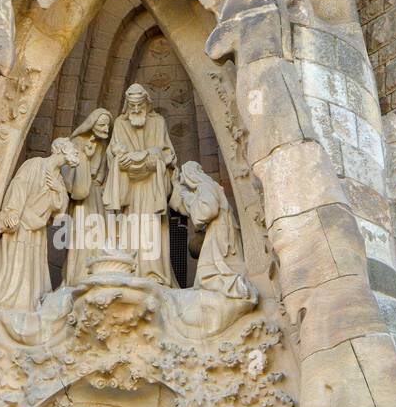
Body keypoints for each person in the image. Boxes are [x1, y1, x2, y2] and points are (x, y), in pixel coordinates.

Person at [0, 137, 79, 309]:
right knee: (15, 271)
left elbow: (60, 215)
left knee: (32, 274)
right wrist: (12, 212)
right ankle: (7, 304)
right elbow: (19, 187)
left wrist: (57, 189)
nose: (76, 151)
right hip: (20, 227)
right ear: (61, 148)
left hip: (37, 231)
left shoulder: (59, 180)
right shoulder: (34, 165)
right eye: (72, 148)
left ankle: (27, 307)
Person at [103, 84, 176, 285]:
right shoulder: (120, 123)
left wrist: (157, 158)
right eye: (132, 106)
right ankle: (128, 269)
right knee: (129, 227)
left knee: (151, 228)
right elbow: (112, 153)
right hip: (130, 189)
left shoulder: (158, 122)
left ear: (147, 103)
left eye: (139, 105)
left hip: (152, 186)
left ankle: (154, 274)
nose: (135, 110)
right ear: (127, 105)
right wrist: (118, 156)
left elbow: (168, 153)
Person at [169, 161, 252, 298]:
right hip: (219, 229)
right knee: (209, 271)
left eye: (185, 178)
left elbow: (208, 211)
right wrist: (182, 193)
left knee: (210, 272)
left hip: (219, 231)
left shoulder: (205, 186)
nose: (185, 182)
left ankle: (235, 289)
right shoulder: (209, 186)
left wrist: (189, 198)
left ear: (191, 176)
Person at [61, 108, 112, 284]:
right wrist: (85, 157)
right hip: (84, 197)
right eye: (101, 124)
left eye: (107, 125)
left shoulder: (105, 145)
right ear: (92, 124)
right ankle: (79, 274)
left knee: (99, 236)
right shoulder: (78, 141)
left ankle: (96, 272)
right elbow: (67, 170)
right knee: (83, 234)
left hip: (99, 196)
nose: (105, 128)